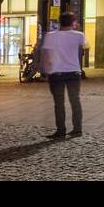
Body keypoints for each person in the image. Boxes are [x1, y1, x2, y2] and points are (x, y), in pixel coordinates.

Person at [40, 12, 87, 140]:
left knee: (59, 103)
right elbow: (84, 47)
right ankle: (77, 129)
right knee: (75, 101)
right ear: (73, 22)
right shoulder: (79, 35)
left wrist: (46, 71)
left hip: (56, 73)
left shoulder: (50, 36)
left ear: (60, 22)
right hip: (73, 73)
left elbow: (45, 55)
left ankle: (61, 131)